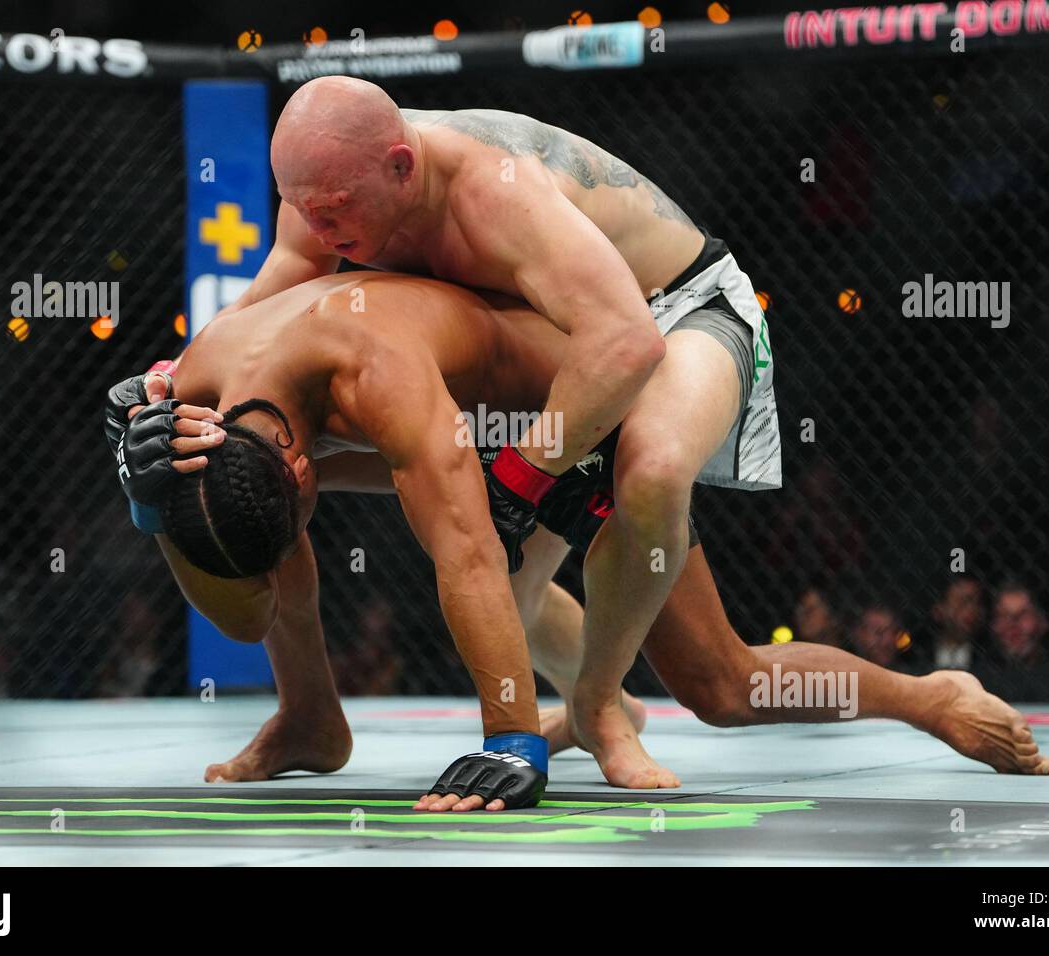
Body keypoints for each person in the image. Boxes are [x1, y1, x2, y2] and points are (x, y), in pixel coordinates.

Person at [108, 272, 1049, 815]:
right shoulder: (191, 402)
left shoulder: (377, 377)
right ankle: (314, 716)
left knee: (719, 685)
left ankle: (926, 698)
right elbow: (247, 594)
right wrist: (152, 510)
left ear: (303, 472)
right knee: (295, 539)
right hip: (457, 429)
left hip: (579, 421)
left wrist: (510, 739)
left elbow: (468, 552)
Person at [111, 75, 780, 789]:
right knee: (250, 478)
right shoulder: (329, 184)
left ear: (402, 166)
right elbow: (287, 270)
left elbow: (626, 343)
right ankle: (310, 711)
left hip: (670, 314)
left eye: (335, 212)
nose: (324, 230)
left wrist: (523, 474)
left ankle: (597, 702)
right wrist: (165, 397)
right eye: (304, 210)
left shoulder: (493, 196)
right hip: (542, 358)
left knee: (684, 591)